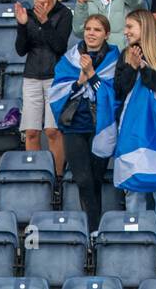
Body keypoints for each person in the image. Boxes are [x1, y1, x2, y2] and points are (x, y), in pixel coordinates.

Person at [113, 8, 156, 234]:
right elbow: (119, 91)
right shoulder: (126, 54)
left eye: (130, 27)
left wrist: (144, 69)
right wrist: (132, 68)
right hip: (132, 129)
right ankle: (137, 238)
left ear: (144, 27)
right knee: (134, 187)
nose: (125, 32)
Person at [50, 12, 120, 231]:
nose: (91, 33)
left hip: (101, 126)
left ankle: (95, 230)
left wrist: (92, 74)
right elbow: (57, 92)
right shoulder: (69, 58)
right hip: (74, 126)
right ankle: (92, 230)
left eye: (97, 30)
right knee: (83, 180)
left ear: (106, 34)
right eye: (88, 29)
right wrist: (80, 81)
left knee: (95, 179)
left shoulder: (114, 59)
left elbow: (112, 94)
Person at [15, 0, 71, 176]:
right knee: (31, 132)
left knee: (52, 131)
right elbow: (21, 50)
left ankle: (56, 177)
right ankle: (36, 175)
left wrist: (45, 21)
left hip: (55, 77)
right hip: (31, 76)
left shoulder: (64, 14)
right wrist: (22, 26)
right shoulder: (28, 14)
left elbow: (59, 46)